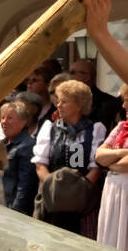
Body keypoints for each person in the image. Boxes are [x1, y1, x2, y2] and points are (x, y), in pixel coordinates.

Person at [34, 78, 107, 236]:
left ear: (79, 106)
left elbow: (96, 168)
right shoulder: (49, 129)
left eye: (64, 102)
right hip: (52, 198)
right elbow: (40, 165)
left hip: (82, 202)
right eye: (58, 101)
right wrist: (55, 189)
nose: (58, 105)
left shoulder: (95, 130)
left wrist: (77, 193)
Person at [94, 83, 128, 250]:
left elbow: (126, 166)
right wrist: (122, 153)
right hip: (113, 188)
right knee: (110, 235)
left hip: (126, 190)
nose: (124, 106)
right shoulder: (121, 127)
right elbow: (99, 156)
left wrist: (111, 161)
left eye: (127, 100)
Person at [0, 100, 39, 215]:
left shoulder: (28, 146)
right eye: (2, 117)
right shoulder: (2, 145)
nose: (4, 122)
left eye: (9, 118)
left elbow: (25, 185)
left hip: (13, 210)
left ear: (23, 121)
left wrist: (15, 212)